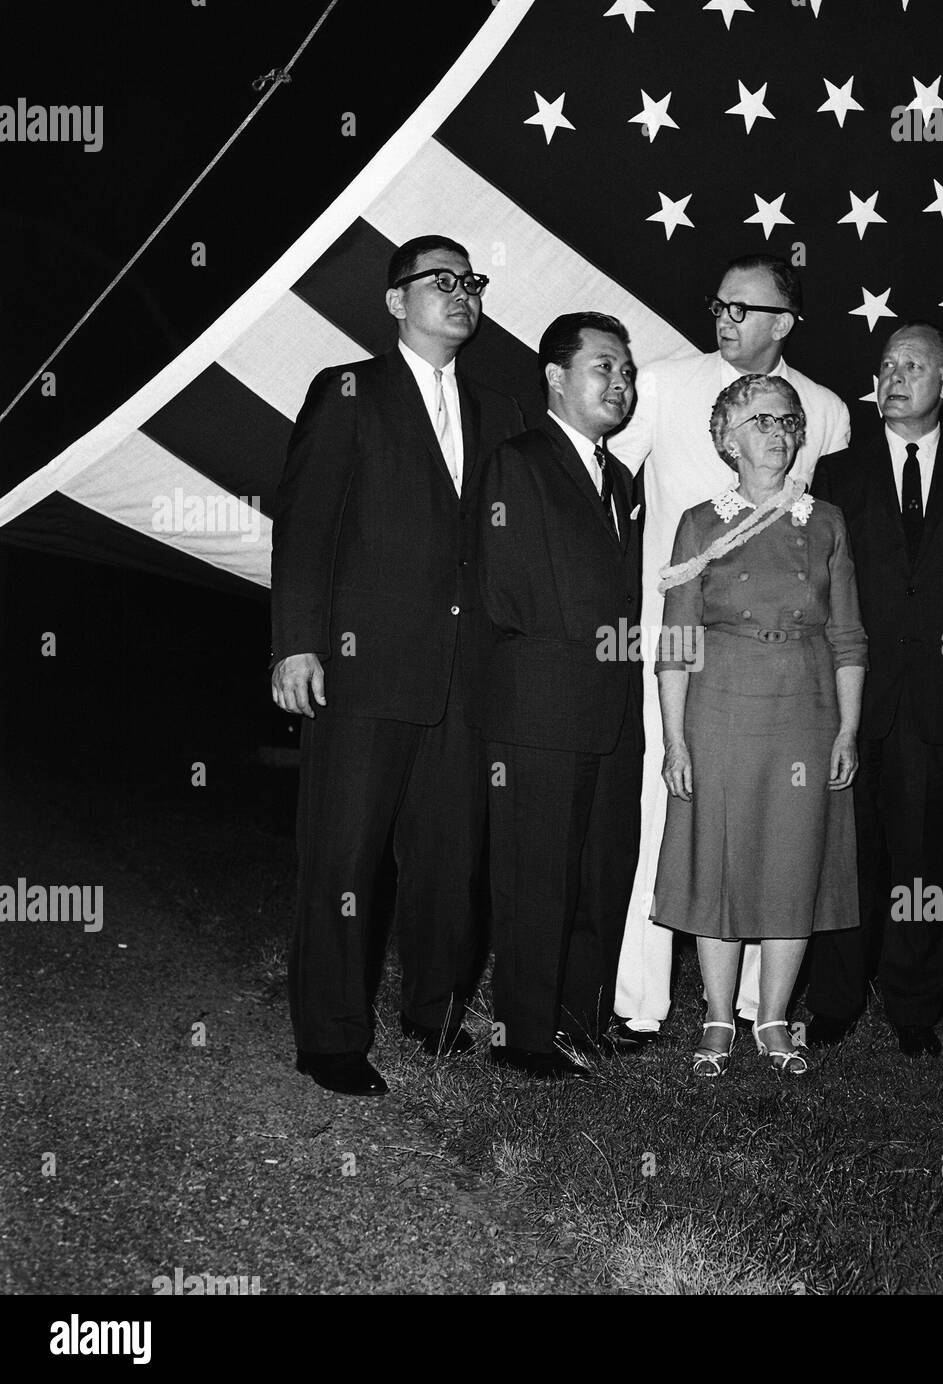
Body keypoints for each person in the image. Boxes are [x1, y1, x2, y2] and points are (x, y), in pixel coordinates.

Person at [270, 235, 523, 1096]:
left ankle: (435, 1012)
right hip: (361, 667)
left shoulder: (499, 411)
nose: (460, 293)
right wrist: (295, 641)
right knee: (344, 857)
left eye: (470, 281)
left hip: (464, 678)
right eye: (439, 280)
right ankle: (332, 1036)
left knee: (451, 856)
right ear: (394, 301)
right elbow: (304, 525)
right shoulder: (349, 392)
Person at [610, 253, 851, 1049]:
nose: (726, 318)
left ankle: (760, 1010)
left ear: (785, 322)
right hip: (683, 643)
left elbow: (824, 539)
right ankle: (642, 1001)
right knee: (670, 818)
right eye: (719, 304)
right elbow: (608, 484)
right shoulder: (668, 381)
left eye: (745, 308)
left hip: (789, 659)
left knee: (783, 835)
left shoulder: (823, 410)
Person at [805, 322, 943, 1058]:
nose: (893, 377)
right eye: (885, 365)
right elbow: (817, 591)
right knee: (846, 860)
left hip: (941, 710)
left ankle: (913, 1007)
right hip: (852, 706)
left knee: (927, 865)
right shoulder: (836, 473)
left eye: (912, 366)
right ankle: (833, 1001)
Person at [653, 374, 865, 1077]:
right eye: (761, 418)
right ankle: (716, 1019)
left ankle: (772, 1020)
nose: (778, 430)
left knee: (792, 859)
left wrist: (847, 730)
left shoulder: (826, 521)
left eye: (788, 419)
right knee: (721, 855)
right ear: (728, 437)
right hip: (719, 708)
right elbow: (676, 643)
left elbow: (849, 638)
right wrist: (675, 740)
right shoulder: (699, 523)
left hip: (807, 710)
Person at [476, 312, 643, 1081]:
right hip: (541, 704)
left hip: (612, 710)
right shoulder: (516, 462)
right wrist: (581, 650)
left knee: (601, 871)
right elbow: (502, 589)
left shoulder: (620, 479)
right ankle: (525, 1035)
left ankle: (585, 1020)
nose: (621, 383)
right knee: (536, 875)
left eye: (628, 372)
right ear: (555, 376)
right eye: (605, 367)